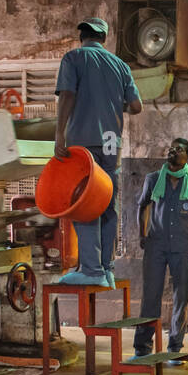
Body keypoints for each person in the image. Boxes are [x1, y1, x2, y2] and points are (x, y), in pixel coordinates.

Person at [55, 17, 142, 288]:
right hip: (110, 144)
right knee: (107, 203)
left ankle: (91, 270)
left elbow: (67, 95)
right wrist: (112, 105)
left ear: (82, 36)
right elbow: (136, 106)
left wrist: (59, 132)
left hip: (83, 142)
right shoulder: (121, 66)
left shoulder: (73, 59)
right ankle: (106, 269)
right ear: (104, 39)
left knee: (86, 202)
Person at [132, 138, 188, 364]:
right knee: (150, 297)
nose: (173, 151)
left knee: (180, 298)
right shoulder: (153, 179)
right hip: (156, 246)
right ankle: (142, 347)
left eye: (180, 149)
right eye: (172, 147)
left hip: (184, 249)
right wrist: (142, 234)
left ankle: (175, 348)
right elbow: (143, 206)